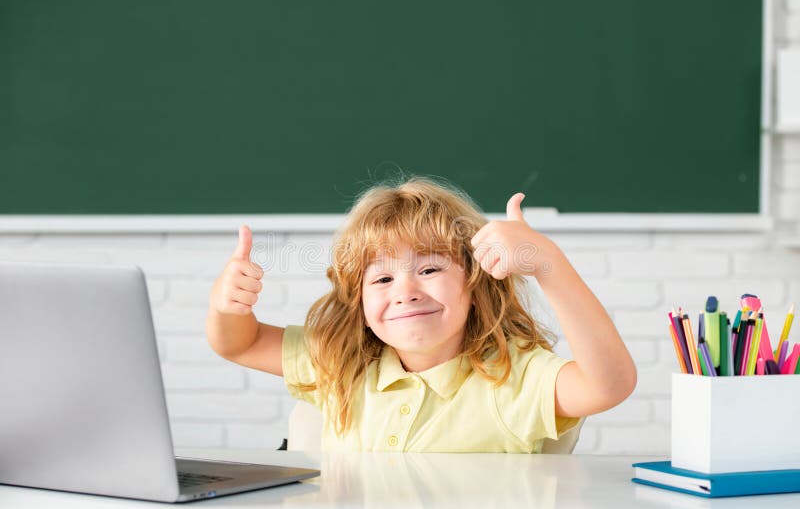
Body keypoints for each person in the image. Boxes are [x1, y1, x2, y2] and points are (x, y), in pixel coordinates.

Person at [206, 176, 637, 452]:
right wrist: (227, 305)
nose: (406, 292)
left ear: (475, 278)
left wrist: (548, 264)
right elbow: (237, 342)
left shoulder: (513, 378)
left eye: (429, 269)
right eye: (381, 280)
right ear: (358, 301)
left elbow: (608, 385)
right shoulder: (340, 362)